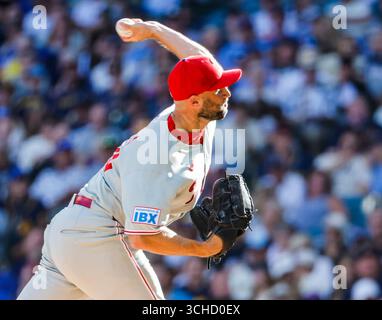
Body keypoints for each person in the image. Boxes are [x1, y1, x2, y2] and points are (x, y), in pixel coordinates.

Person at [17, 18, 243, 300]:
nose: (227, 92)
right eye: (218, 89)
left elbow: (202, 59)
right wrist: (204, 249)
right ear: (194, 101)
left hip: (74, 234)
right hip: (99, 235)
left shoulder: (196, 114)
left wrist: (153, 30)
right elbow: (142, 237)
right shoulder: (158, 158)